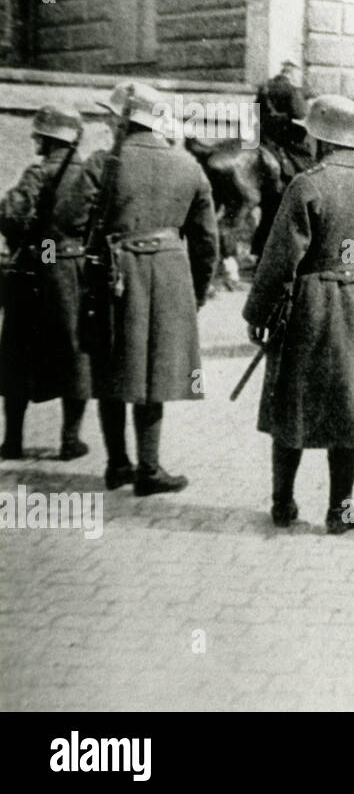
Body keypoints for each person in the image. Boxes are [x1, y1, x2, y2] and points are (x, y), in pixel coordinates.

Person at [243, 95, 354, 534]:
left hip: (312, 302)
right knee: (349, 406)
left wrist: (257, 311)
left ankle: (283, 503)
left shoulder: (308, 183)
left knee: (291, 400)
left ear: (321, 138)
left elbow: (281, 257)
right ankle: (341, 509)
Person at [78, 82, 219, 495]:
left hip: (113, 273)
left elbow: (76, 222)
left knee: (110, 369)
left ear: (126, 119)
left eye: (112, 115)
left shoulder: (103, 163)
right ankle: (149, 469)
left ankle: (117, 464)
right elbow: (208, 241)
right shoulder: (189, 165)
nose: (108, 121)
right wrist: (196, 293)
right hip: (170, 275)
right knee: (154, 373)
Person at [0, 105, 92, 461]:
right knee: (74, 352)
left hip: (35, 268)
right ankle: (70, 440)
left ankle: (12, 441)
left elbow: (10, 215)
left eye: (38, 134)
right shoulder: (90, 174)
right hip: (72, 270)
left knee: (17, 352)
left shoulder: (36, 174)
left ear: (50, 137)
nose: (34, 140)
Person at [252, 61, 313, 259]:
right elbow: (300, 113)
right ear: (293, 74)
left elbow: (255, 113)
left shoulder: (265, 86)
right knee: (306, 164)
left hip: (262, 139)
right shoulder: (291, 88)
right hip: (282, 140)